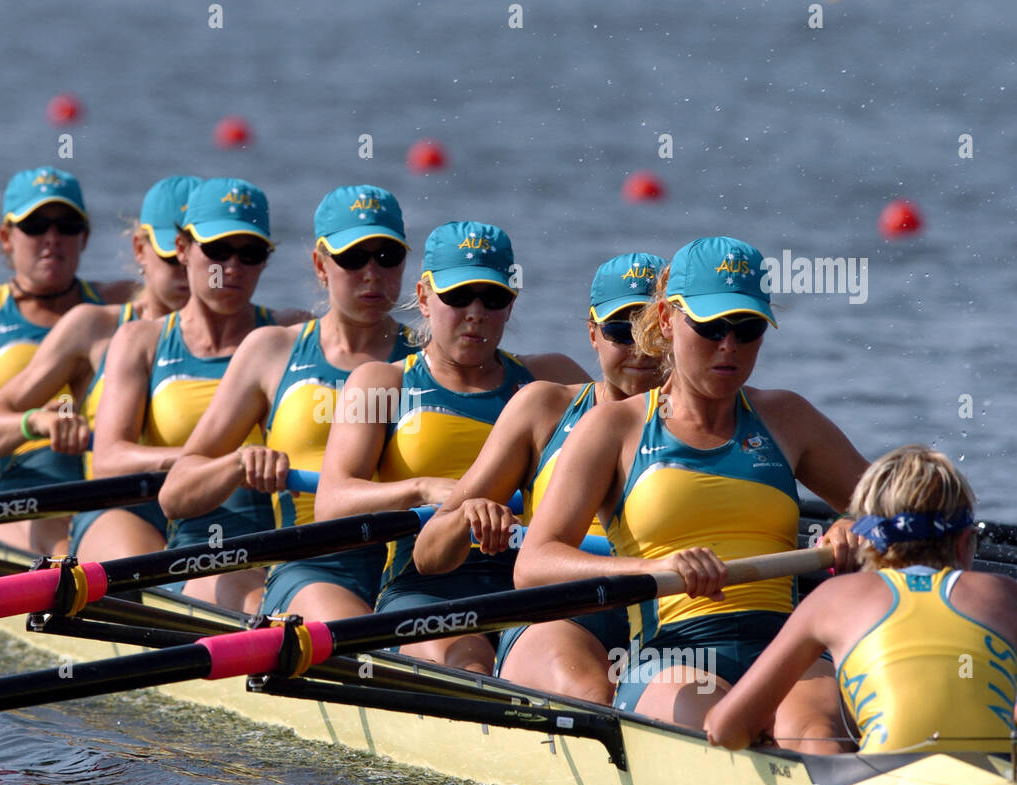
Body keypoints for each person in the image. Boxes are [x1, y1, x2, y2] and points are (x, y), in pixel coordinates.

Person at [514, 236, 867, 751]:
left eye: (746, 330)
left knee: (818, 741)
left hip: (785, 651)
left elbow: (902, 504)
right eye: (709, 327)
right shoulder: (613, 429)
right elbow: (535, 564)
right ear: (664, 320)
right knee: (714, 740)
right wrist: (653, 571)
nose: (729, 346)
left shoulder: (787, 417)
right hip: (675, 655)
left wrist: (860, 521)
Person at [316, 221, 589, 673]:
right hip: (425, 587)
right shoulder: (384, 382)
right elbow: (331, 502)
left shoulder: (551, 379)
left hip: (529, 590)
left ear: (510, 303)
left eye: (493, 299)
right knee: (473, 663)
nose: (476, 313)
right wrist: (424, 490)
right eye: (458, 297)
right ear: (424, 298)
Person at [412, 253, 667, 701]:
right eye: (621, 332)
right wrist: (466, 513)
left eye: (652, 332)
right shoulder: (544, 408)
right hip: (562, 615)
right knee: (594, 695)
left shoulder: (723, 422)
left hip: (676, 613)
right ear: (592, 334)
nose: (641, 350)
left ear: (676, 330)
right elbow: (428, 554)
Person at [159, 185, 415, 621]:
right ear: (320, 264)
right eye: (353, 258)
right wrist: (237, 464)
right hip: (310, 567)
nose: (372, 273)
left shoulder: (430, 362)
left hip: (410, 574)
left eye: (387, 257)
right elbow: (175, 495)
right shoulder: (271, 351)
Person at [706, 445, 1017, 754]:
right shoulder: (1004, 594)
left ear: (867, 541)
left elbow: (724, 730)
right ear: (964, 544)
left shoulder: (832, 598)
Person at [91, 178, 308, 609]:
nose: (232, 266)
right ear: (183, 249)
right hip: (185, 533)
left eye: (250, 253)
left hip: (282, 538)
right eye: (217, 250)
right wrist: (214, 464)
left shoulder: (291, 335)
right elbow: (107, 460)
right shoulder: (141, 340)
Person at [0, 175, 199, 561]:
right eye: (173, 255)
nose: (189, 271)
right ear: (141, 249)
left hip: (201, 512)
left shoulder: (256, 338)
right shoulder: (93, 326)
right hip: (85, 504)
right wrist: (32, 422)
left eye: (211, 254)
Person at [0, 166, 134, 553]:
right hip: (22, 488)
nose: (52, 239)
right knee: (66, 554)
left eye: (66, 225)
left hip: (111, 490)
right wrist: (31, 419)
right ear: (6, 238)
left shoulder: (121, 303)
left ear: (84, 237)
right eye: (35, 226)